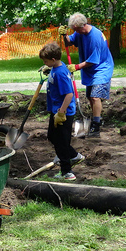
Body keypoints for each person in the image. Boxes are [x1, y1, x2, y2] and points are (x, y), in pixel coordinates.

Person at [62, 13, 114, 139]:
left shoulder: (95, 37)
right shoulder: (80, 32)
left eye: (76, 29)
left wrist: (76, 67)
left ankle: (96, 125)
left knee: (96, 97)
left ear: (83, 25)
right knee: (90, 97)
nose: (75, 32)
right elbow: (69, 43)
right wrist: (64, 35)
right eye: (73, 30)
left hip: (102, 68)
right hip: (90, 70)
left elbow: (93, 60)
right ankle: (97, 119)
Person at [38, 42, 85, 181]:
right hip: (56, 110)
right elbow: (54, 70)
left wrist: (61, 112)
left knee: (62, 142)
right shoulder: (58, 66)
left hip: (63, 112)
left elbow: (69, 94)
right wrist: (48, 69)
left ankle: (67, 172)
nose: (44, 63)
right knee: (52, 136)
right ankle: (74, 156)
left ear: (53, 60)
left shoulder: (60, 73)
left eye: (46, 61)